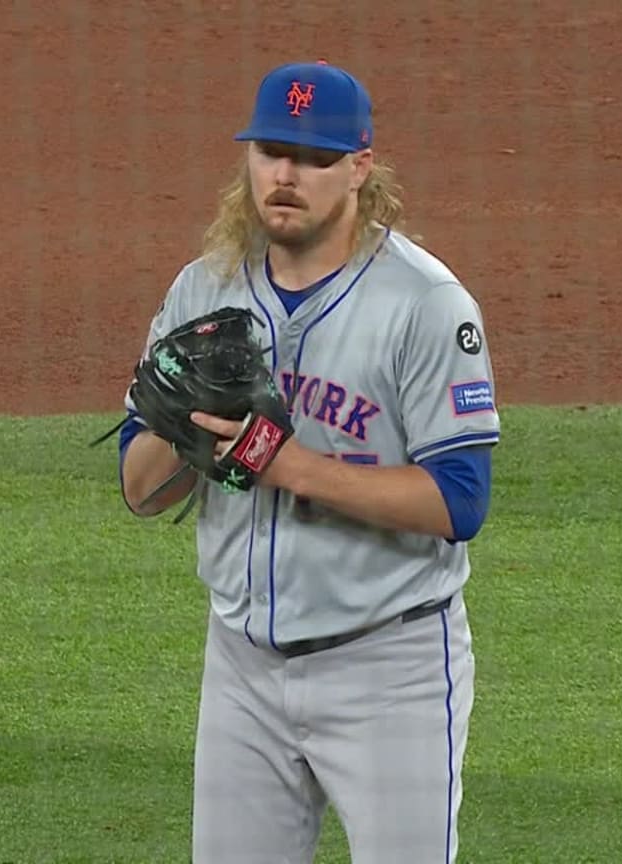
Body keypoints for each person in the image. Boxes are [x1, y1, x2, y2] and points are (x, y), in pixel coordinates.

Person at [114, 59, 499, 863]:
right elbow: (139, 490)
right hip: (242, 669)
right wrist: (181, 430)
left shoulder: (426, 306)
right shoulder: (203, 289)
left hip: (391, 671)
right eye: (270, 152)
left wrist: (282, 462)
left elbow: (459, 502)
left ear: (360, 168)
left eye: (315, 158)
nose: (286, 176)